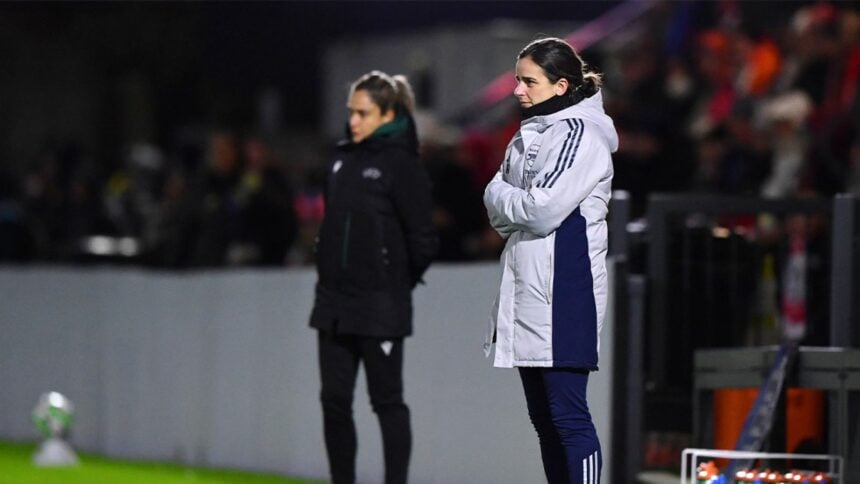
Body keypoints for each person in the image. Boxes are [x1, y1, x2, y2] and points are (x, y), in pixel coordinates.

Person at [483, 37, 618, 483]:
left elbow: (539, 211)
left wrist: (498, 193)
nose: (518, 90)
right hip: (529, 294)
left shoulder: (581, 134)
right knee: (546, 421)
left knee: (569, 418)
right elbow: (502, 218)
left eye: (528, 81)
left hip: (564, 292)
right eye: (517, 79)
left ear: (561, 85)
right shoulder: (529, 134)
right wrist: (507, 200)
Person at [309, 70, 438, 484]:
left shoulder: (403, 164)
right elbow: (331, 222)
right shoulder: (340, 159)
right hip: (332, 302)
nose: (354, 121)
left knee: (386, 401)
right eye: (351, 112)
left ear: (387, 114)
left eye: (363, 113)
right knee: (333, 401)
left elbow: (423, 239)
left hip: (380, 305)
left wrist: (392, 279)